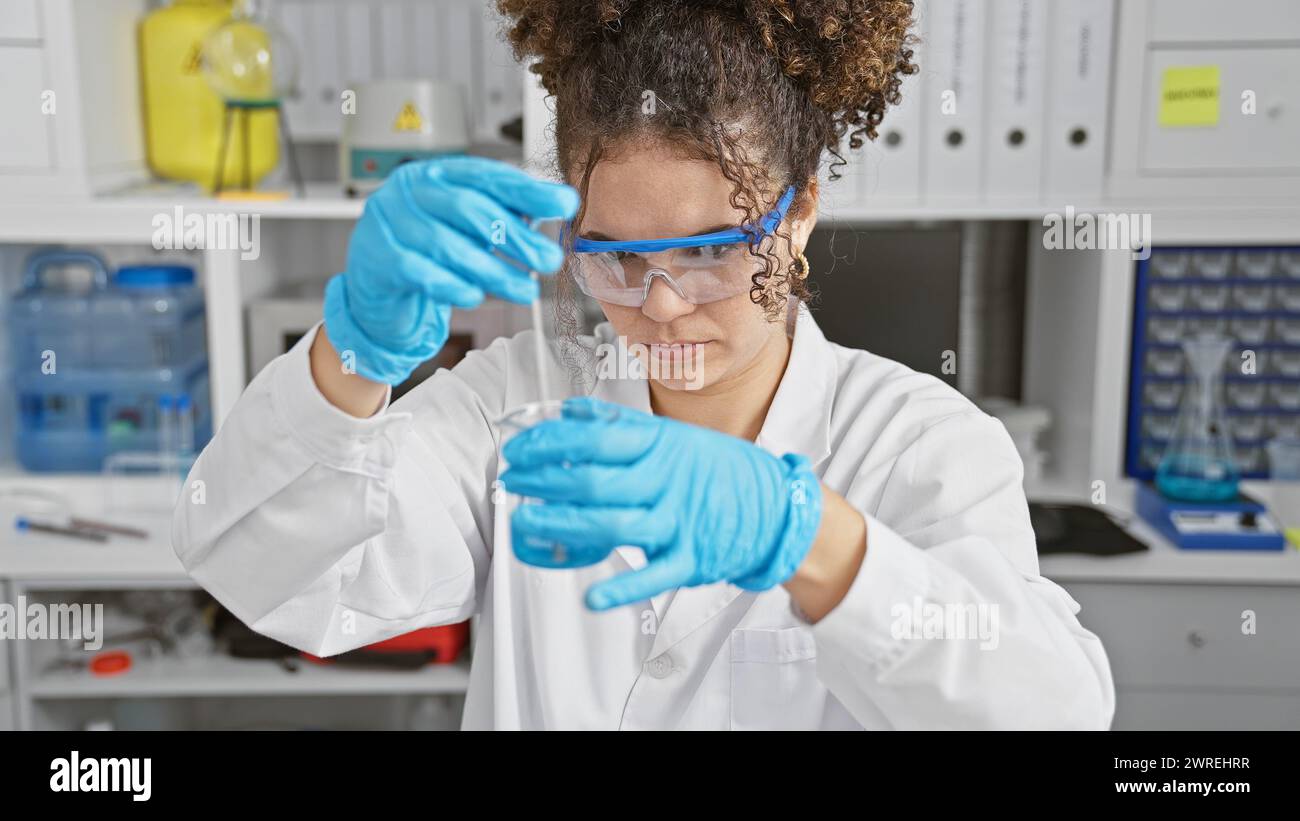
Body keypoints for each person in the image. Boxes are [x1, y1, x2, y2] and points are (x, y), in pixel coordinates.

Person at [172, 0, 1115, 729]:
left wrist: (805, 538)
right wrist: (354, 354)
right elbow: (261, 572)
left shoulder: (918, 444)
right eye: (615, 256)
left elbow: (1052, 709)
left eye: (711, 250)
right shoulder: (517, 406)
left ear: (800, 214)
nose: (659, 304)